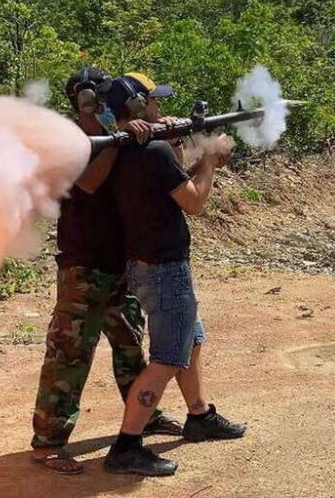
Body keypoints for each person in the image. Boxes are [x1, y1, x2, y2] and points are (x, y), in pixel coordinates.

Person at [31, 67, 182, 475]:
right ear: (84, 101)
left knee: (131, 345)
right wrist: (120, 139)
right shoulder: (68, 142)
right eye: (96, 98)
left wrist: (159, 132)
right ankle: (48, 443)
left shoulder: (126, 135)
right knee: (70, 355)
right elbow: (91, 183)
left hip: (121, 261)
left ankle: (144, 419)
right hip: (83, 263)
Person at [103, 73, 247, 477]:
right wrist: (209, 160)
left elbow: (161, 177)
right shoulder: (153, 153)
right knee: (167, 358)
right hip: (165, 269)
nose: (159, 108)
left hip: (148, 265)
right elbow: (195, 201)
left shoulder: (127, 150)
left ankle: (198, 415)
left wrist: (174, 141)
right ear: (134, 108)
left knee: (192, 340)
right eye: (152, 102)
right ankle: (127, 445)